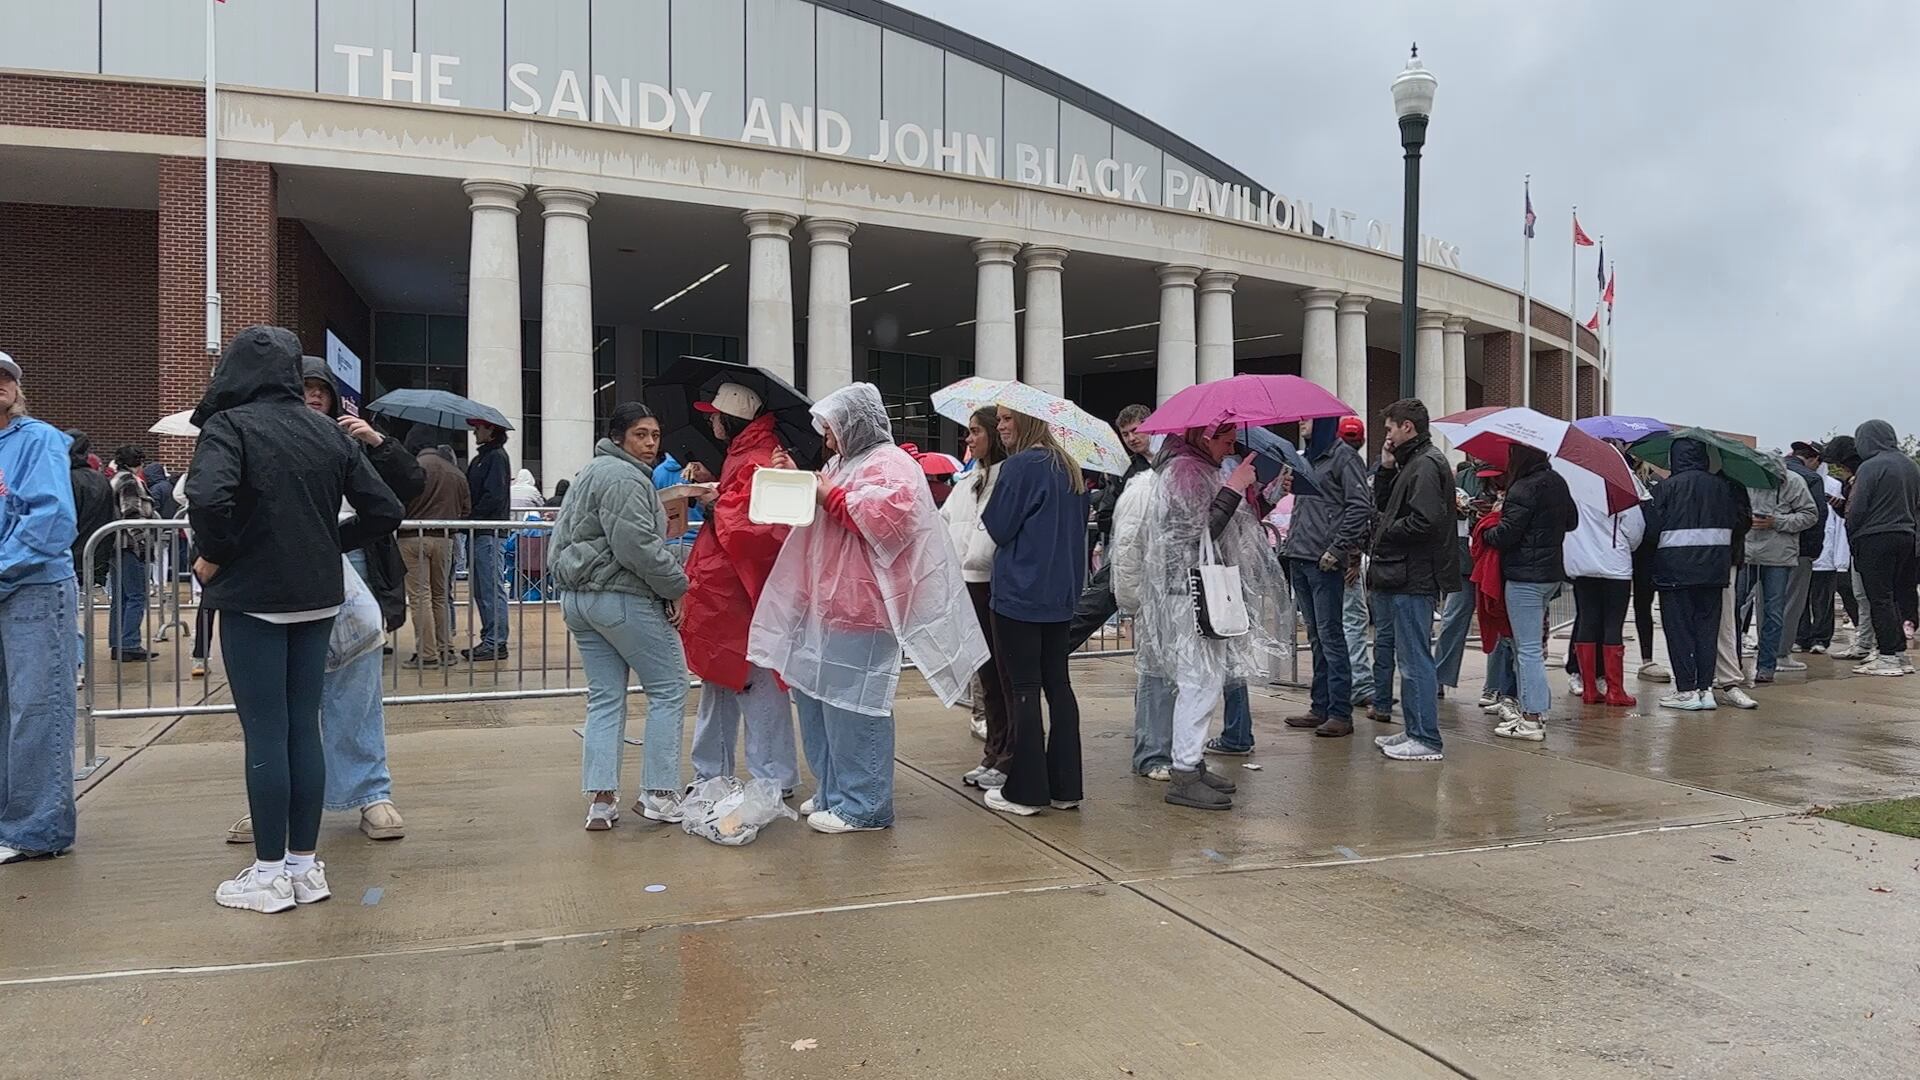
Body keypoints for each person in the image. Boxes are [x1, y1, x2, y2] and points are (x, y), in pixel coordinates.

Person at [189, 326, 404, 913]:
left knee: (265, 731)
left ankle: (266, 873)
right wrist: (327, 540)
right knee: (301, 728)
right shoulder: (325, 432)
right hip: (317, 594)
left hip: (255, 595)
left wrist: (215, 554)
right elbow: (386, 506)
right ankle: (305, 868)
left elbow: (208, 499)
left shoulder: (228, 426)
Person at [748, 383, 986, 834]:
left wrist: (827, 495)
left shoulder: (892, 464)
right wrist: (796, 477)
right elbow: (819, 511)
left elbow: (888, 518)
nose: (827, 436)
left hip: (865, 609)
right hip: (826, 605)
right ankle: (833, 790)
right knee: (818, 702)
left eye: (833, 427)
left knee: (855, 709)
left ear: (854, 424)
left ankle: (865, 805)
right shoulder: (843, 462)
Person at [219, 357, 423, 845]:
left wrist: (376, 442)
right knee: (277, 700)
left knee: (357, 690)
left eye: (321, 389)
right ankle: (274, 804)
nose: (312, 397)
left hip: (350, 570)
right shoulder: (247, 432)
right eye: (303, 387)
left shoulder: (347, 440)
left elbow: (405, 489)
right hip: (270, 577)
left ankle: (370, 792)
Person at [549, 403, 690, 830]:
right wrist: (677, 585)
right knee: (669, 687)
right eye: (640, 435)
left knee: (607, 697)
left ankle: (602, 800)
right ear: (619, 437)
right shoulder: (625, 478)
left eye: (654, 435)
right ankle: (659, 794)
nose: (650, 443)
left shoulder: (593, 470)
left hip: (580, 599)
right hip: (620, 596)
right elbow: (636, 548)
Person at [1133, 422, 1277, 809]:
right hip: (1190, 588)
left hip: (1195, 585)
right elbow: (1198, 532)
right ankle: (1183, 770)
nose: (1230, 448)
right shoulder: (1185, 471)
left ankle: (1190, 764)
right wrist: (1232, 489)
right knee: (1199, 680)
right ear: (1204, 436)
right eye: (1226, 441)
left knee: (1207, 679)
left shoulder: (1195, 468)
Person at [680, 382, 800, 796]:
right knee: (741, 682)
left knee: (751, 683)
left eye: (714, 413)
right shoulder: (752, 453)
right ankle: (764, 774)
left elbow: (759, 528)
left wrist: (712, 502)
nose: (710, 418)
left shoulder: (755, 456)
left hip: (740, 595)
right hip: (736, 593)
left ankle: (760, 775)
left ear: (730, 418)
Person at [979, 407, 1089, 816]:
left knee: (1024, 688)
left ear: (1029, 421)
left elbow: (998, 527)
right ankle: (1065, 786)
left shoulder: (1021, 466)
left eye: (1008, 418)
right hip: (1060, 594)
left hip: (1021, 593)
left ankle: (1025, 790)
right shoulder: (1070, 467)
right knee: (1058, 685)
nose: (1002, 425)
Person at [0, 351, 81, 866]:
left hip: (33, 589)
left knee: (35, 708)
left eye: (6, 376)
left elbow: (51, 520)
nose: (1, 383)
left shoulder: (38, 440)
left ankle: (36, 829)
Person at [1366, 400, 1459, 761]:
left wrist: (1385, 529)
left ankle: (1425, 738)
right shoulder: (1416, 464)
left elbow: (1424, 522)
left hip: (1413, 575)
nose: (1386, 435)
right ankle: (1416, 730)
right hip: (1404, 573)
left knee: (1414, 658)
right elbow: (1392, 505)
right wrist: (1387, 470)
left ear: (1407, 427)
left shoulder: (1425, 465)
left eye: (1390, 428)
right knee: (1409, 656)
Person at [1279, 415, 1374, 738]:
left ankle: (1339, 712)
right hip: (1303, 554)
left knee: (1331, 636)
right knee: (1319, 637)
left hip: (1321, 559)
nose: (1302, 423)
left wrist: (1337, 549)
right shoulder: (1310, 459)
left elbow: (1360, 506)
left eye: (1308, 419)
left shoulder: (1343, 456)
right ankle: (1321, 706)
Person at [1480, 445, 1576, 740]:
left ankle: (1531, 718)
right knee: (1531, 647)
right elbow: (1572, 521)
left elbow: (1506, 535)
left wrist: (1486, 528)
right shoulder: (1557, 481)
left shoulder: (1521, 488)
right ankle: (1534, 710)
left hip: (1524, 578)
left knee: (1527, 650)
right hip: (1550, 576)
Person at [1644, 437, 1745, 711]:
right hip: (1714, 570)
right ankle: (1706, 689)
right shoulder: (1724, 487)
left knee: (1679, 631)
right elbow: (1738, 522)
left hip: (1674, 570)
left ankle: (1686, 690)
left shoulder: (1665, 488)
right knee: (1707, 631)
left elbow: (1650, 530)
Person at [942, 406, 1012, 788]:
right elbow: (946, 522)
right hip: (968, 583)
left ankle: (1006, 755)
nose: (969, 439)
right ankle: (994, 751)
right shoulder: (970, 480)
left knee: (1003, 675)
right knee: (987, 675)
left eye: (975, 431)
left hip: (994, 584)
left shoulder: (1008, 478)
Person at [1561, 444, 1647, 710]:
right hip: (1614, 565)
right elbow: (1635, 529)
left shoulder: (1571, 484)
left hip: (1580, 563)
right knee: (1613, 625)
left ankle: (1588, 687)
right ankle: (1614, 689)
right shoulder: (1619, 483)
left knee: (1586, 619)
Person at [1065, 404, 1154, 650]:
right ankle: (1052, 652)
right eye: (1125, 434)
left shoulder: (1171, 460)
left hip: (1161, 555)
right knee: (1095, 603)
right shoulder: (1123, 470)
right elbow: (1106, 515)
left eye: (1136, 431)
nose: (1131, 438)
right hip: (1128, 553)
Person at [1108, 460, 1171, 780]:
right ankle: (1153, 752)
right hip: (1154, 597)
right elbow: (1128, 548)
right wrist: (1134, 600)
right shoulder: (1145, 491)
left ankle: (1162, 748)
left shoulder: (1168, 486)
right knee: (1155, 676)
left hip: (1172, 596)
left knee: (1168, 678)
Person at [1843, 420, 1920, 676]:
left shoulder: (1870, 467)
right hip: (1906, 535)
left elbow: (1858, 506)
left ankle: (1887, 656)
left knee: (1879, 598)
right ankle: (1899, 654)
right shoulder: (1911, 466)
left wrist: (1851, 532)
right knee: (1896, 597)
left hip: (1875, 537)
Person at [1737, 454, 1818, 684]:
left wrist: (1778, 522)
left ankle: (1767, 665)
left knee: (1774, 612)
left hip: (1778, 556)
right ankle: (1731, 661)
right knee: (1734, 607)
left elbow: (1810, 515)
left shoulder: (1794, 482)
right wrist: (1744, 520)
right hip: (1746, 553)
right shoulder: (1743, 480)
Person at [399, 425, 471, 668]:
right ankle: (446, 649)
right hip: (446, 540)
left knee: (420, 597)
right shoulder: (457, 472)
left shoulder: (411, 468)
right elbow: (466, 510)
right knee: (441, 595)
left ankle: (427, 654)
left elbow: (397, 503)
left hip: (411, 538)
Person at [1334, 417, 1379, 712]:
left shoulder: (1333, 462)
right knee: (1352, 622)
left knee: (1341, 624)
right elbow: (1358, 514)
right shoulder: (1355, 467)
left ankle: (1353, 684)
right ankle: (1359, 684)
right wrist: (1352, 557)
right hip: (1344, 556)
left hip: (1334, 554)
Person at [66, 431, 113, 680]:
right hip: (93, 556)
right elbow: (110, 520)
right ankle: (77, 666)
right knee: (78, 614)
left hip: (67, 556)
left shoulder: (64, 479)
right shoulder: (100, 480)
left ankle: (74, 667)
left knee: (68, 616)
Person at [464, 419, 512, 662]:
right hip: (480, 531)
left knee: (490, 588)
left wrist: (471, 516)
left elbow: (493, 495)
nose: (474, 431)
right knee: (483, 589)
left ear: (490, 430)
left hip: (488, 531)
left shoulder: (494, 458)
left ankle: (495, 640)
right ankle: (491, 638)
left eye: (478, 428)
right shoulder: (484, 458)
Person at [1434, 457, 1480, 699]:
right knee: (1452, 619)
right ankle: (1439, 677)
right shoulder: (1463, 477)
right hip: (1463, 560)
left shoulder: (1507, 475)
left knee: (1498, 628)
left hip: (1491, 557)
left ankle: (1498, 687)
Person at [106, 444, 156, 661]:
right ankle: (130, 643)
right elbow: (132, 514)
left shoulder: (115, 479)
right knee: (136, 596)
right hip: (130, 546)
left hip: (116, 545)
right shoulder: (129, 481)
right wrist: (143, 543)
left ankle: (118, 643)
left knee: (120, 597)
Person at [1799, 450, 1848, 653]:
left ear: (1817, 460)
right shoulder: (1797, 482)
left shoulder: (1833, 486)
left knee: (1823, 602)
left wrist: (1840, 559)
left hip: (1826, 554)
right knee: (1800, 599)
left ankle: (1821, 638)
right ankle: (1800, 637)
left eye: (1810, 458)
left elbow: (1840, 523)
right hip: (1803, 552)